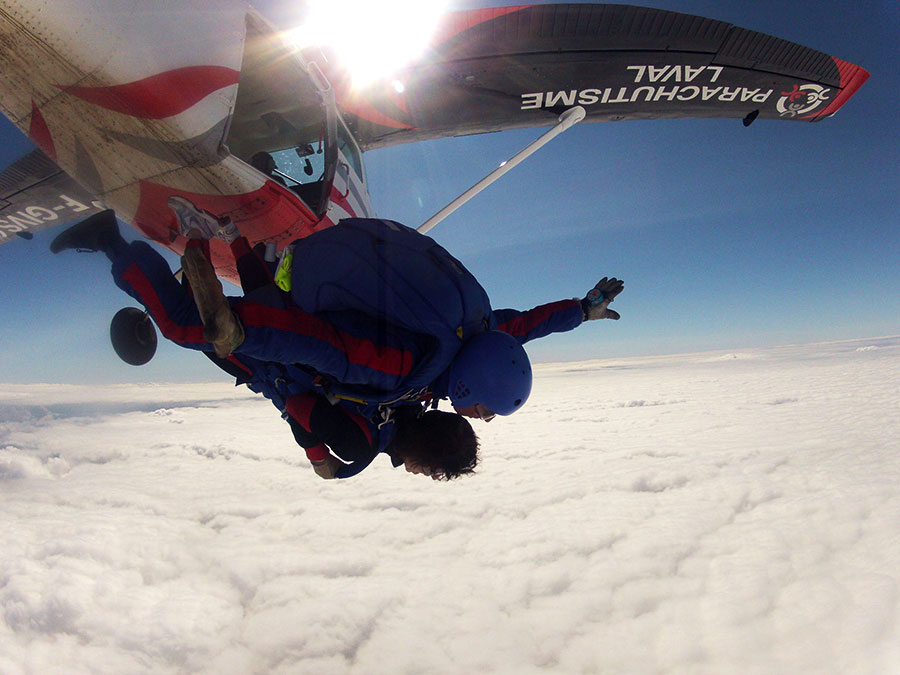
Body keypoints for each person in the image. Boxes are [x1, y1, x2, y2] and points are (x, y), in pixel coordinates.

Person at [50, 204, 624, 423]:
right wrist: (244, 333)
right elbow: (325, 346)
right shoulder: (408, 364)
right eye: (485, 409)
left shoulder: (478, 329)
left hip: (318, 277)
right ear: (470, 385)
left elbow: (527, 326)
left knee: (258, 296)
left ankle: (226, 230)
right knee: (184, 325)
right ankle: (110, 243)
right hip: (298, 308)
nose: (481, 418)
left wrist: (581, 310)